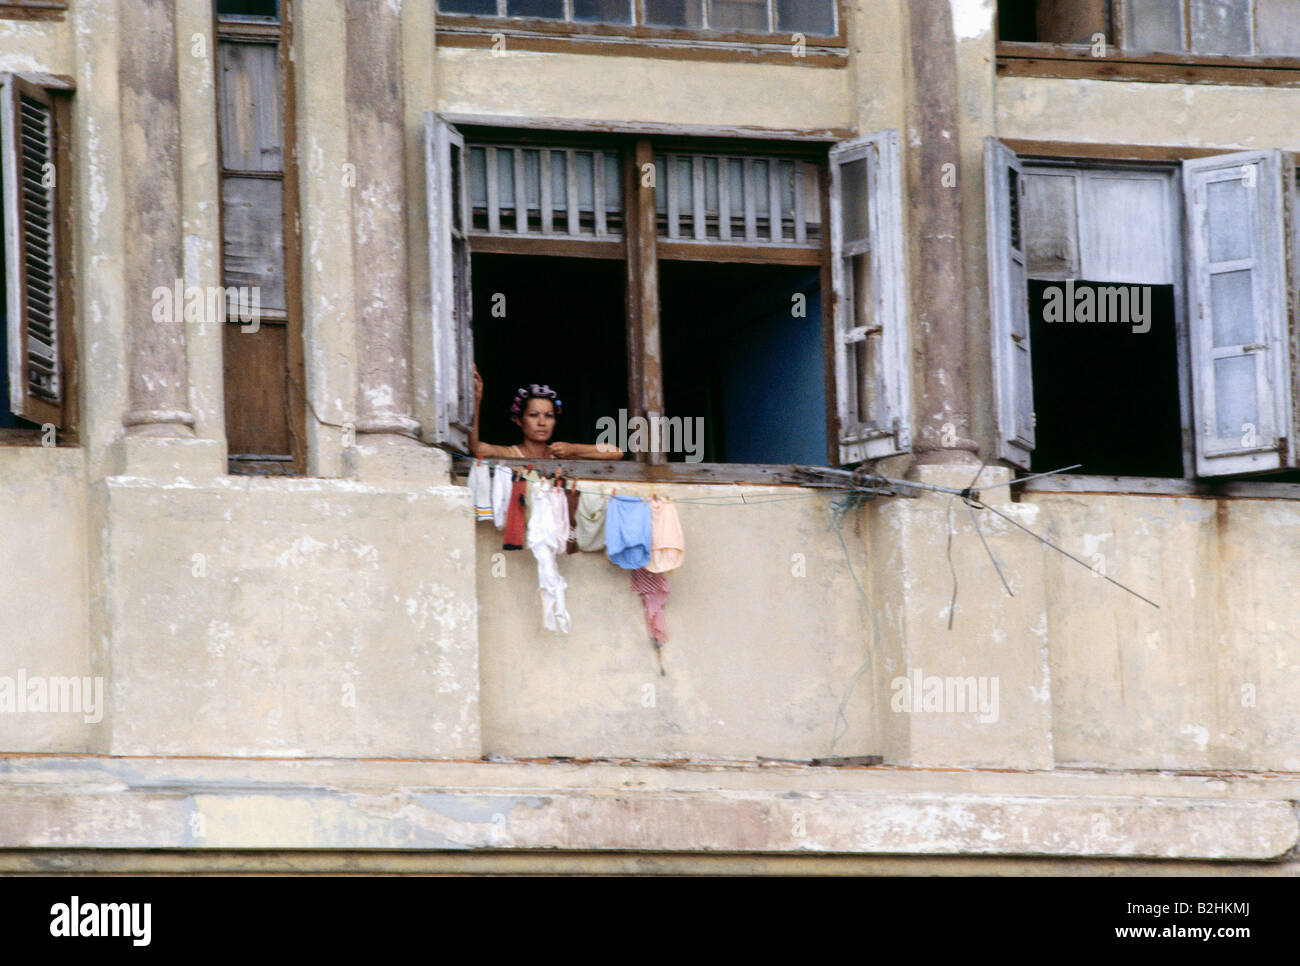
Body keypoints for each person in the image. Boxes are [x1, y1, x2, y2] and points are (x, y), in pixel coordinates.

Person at [470, 364, 623, 460]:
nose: (542, 422)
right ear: (518, 420)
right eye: (533, 415)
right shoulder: (511, 454)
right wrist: (477, 399)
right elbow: (476, 449)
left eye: (548, 416)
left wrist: (573, 449)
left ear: (555, 421)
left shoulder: (560, 454)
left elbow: (616, 452)